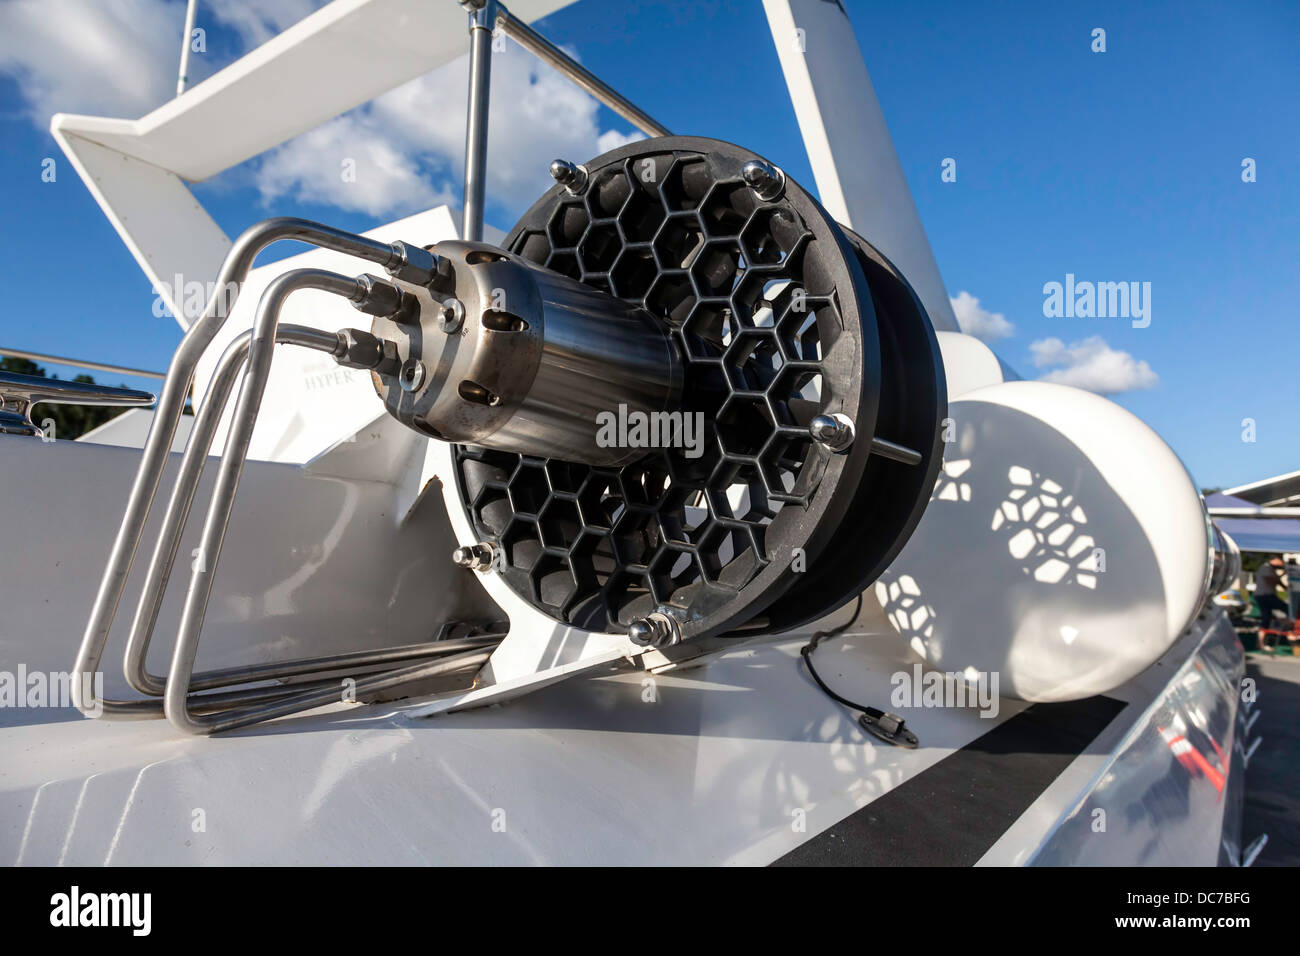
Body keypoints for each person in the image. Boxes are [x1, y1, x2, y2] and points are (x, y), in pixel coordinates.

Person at [1254, 556, 1289, 633]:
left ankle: (1261, 641)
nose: (1282, 563)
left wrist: (1286, 587)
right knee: (1287, 609)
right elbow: (1272, 580)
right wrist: (1283, 575)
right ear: (1276, 559)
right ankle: (1289, 627)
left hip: (1264, 596)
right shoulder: (1266, 567)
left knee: (1266, 618)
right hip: (1265, 596)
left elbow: (1276, 580)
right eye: (1281, 561)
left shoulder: (1270, 568)